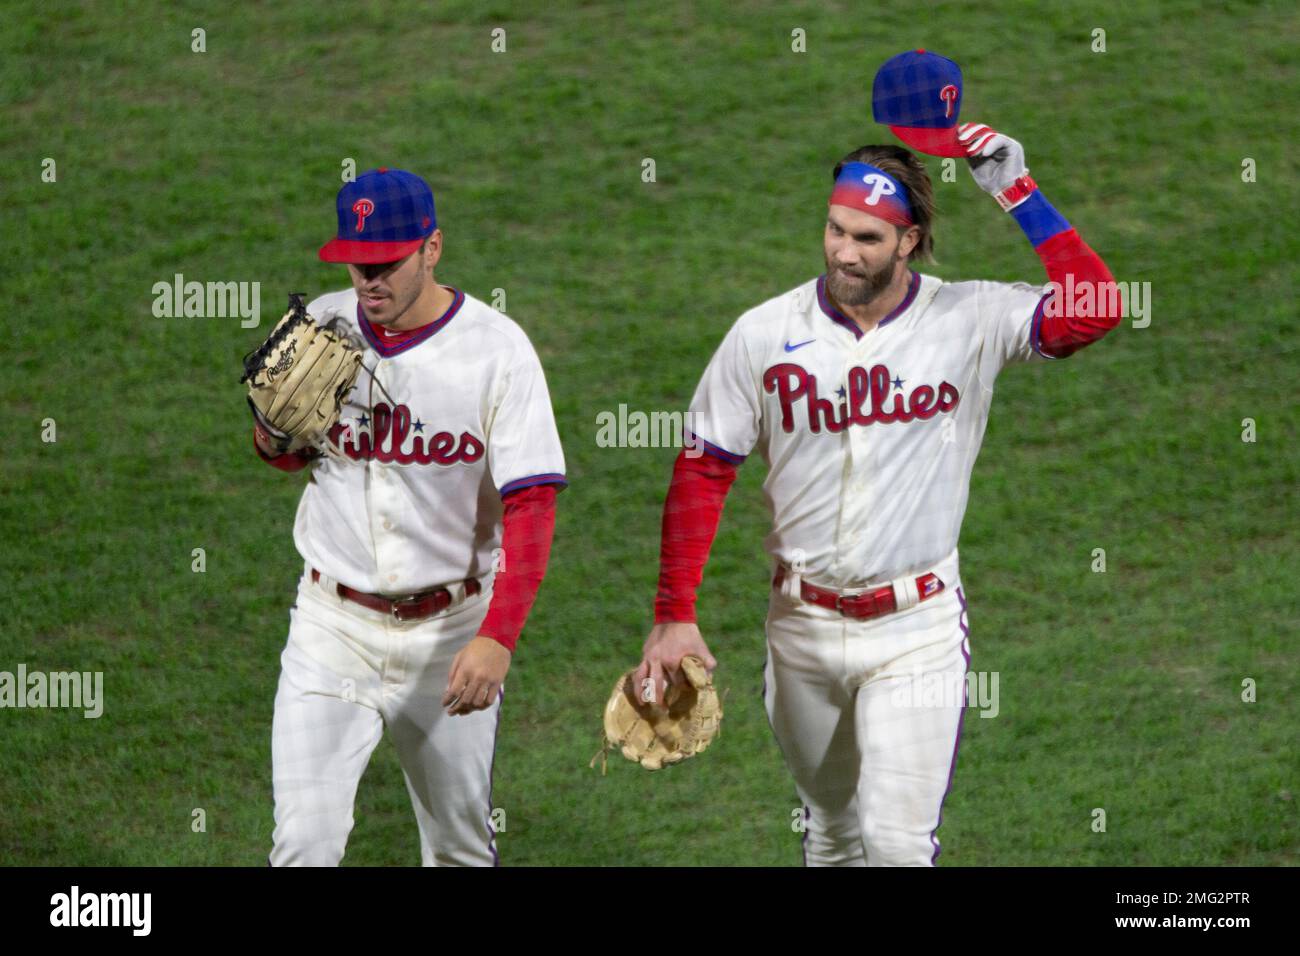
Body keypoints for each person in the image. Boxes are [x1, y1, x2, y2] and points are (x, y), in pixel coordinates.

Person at [635, 127, 1121, 866]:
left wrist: (1016, 192)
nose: (843, 251)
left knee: (895, 844)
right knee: (830, 831)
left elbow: (1095, 308)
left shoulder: (970, 319)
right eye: (834, 229)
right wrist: (674, 614)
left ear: (909, 242)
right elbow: (703, 469)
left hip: (916, 632)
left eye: (866, 237)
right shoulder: (763, 334)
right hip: (798, 627)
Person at [254, 167, 566, 866]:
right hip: (331, 628)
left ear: (432, 249)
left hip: (450, 635)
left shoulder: (498, 351)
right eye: (358, 265)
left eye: (387, 264)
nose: (370, 282)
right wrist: (272, 438)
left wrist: (498, 638)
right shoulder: (322, 329)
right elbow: (287, 454)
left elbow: (532, 507)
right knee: (301, 846)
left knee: (457, 848)